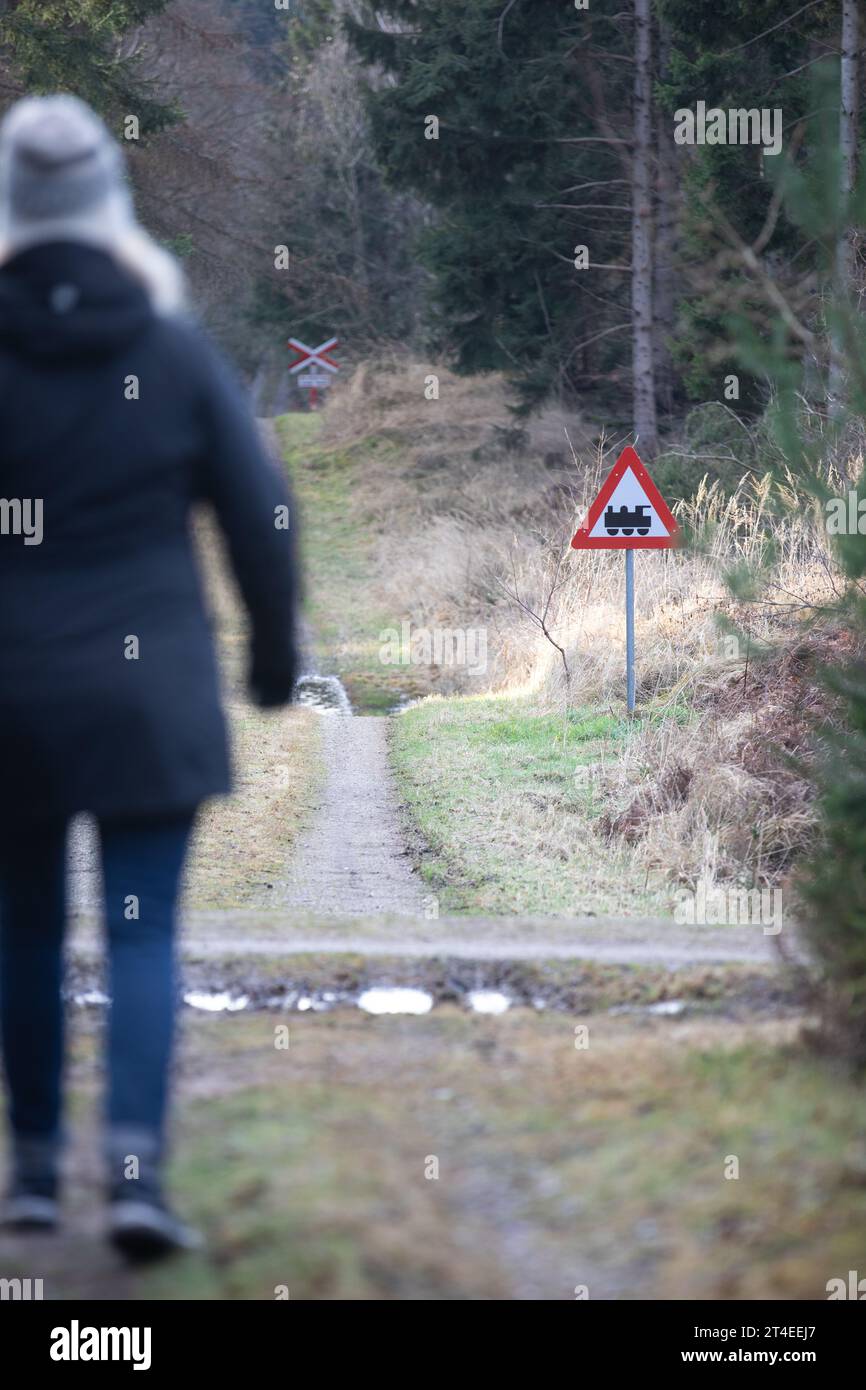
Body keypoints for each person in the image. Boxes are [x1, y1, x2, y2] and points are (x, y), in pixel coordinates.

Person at [0, 95, 298, 1258]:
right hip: (146, 690)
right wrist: (275, 660)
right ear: (110, 204)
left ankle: (29, 1175)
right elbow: (260, 507)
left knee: (22, 927)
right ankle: (134, 1175)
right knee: (139, 928)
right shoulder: (170, 349)